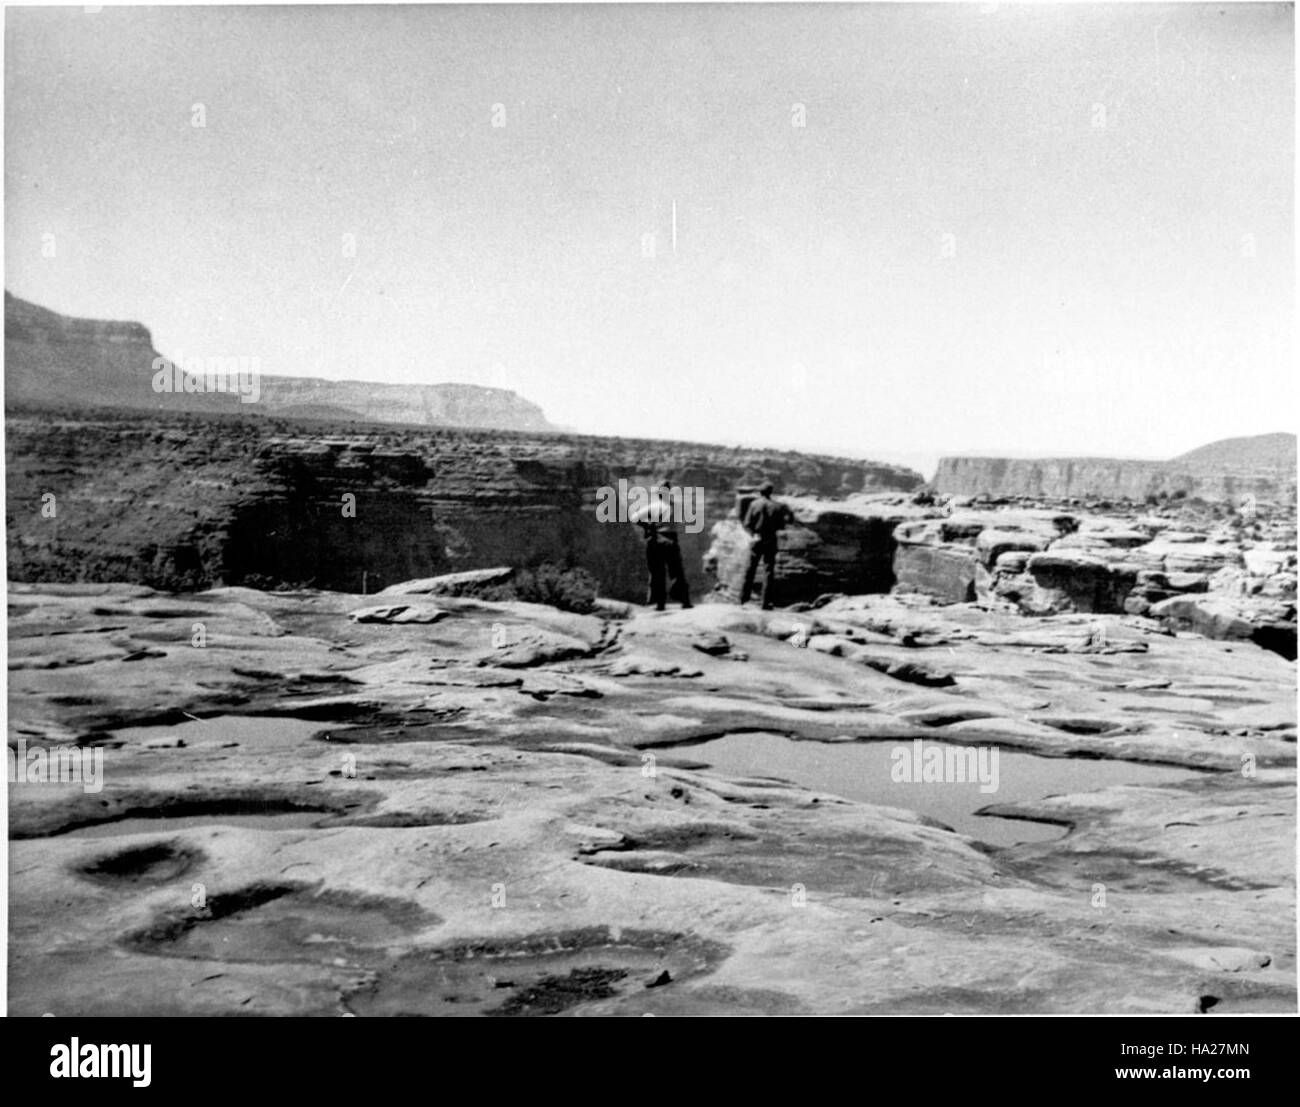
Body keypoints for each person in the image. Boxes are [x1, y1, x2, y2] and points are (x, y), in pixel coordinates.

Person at [632, 483, 693, 611]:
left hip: (655, 540)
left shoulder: (653, 506)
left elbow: (634, 517)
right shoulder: (676, 507)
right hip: (671, 540)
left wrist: (648, 526)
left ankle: (660, 604)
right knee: (677, 572)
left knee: (657, 573)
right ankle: (685, 601)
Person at [739, 481, 793, 609]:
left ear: (760, 492)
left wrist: (753, 534)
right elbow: (782, 525)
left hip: (757, 539)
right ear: (771, 492)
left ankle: (743, 599)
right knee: (768, 571)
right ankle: (765, 603)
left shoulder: (754, 504)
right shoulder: (777, 506)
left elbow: (747, 523)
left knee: (750, 569)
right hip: (770, 539)